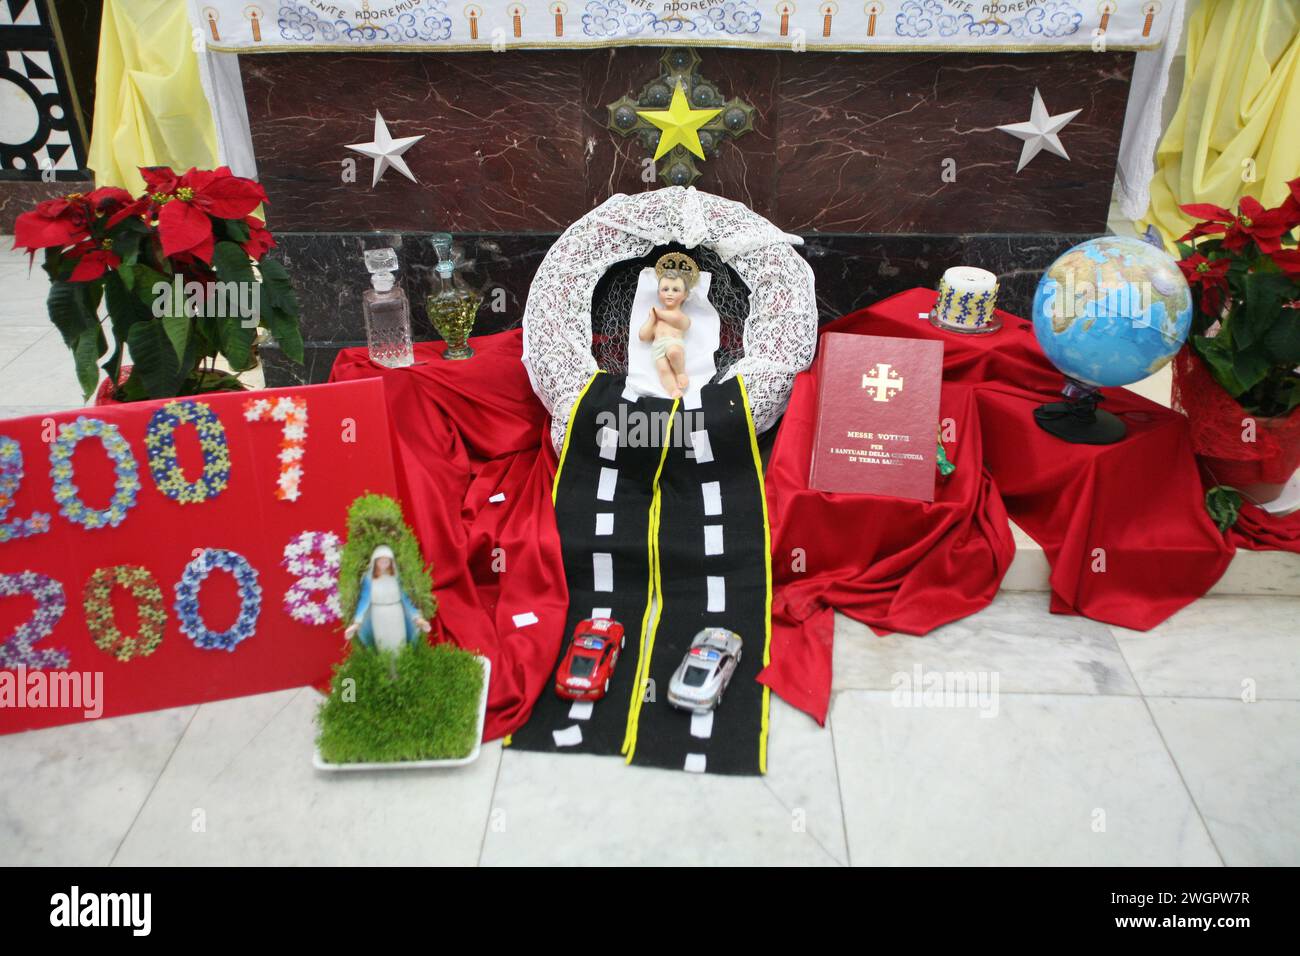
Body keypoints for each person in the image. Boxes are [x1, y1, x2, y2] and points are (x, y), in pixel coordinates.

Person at [344, 545, 431, 652]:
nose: (384, 564)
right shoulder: (369, 579)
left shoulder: (397, 577)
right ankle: (384, 664)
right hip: (378, 614)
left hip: (395, 612)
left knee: (398, 640)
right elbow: (364, 600)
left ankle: (401, 662)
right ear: (375, 562)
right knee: (383, 642)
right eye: (381, 561)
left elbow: (406, 598)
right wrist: (357, 622)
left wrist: (417, 618)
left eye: (387, 561)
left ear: (391, 562)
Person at [638, 253, 699, 398]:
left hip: (673, 343)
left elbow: (683, 323)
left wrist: (658, 313)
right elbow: (643, 336)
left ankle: (680, 372)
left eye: (675, 290)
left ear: (684, 295)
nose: (669, 294)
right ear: (659, 294)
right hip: (657, 346)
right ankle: (673, 390)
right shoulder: (656, 317)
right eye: (665, 289)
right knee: (663, 370)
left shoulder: (678, 316)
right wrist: (651, 319)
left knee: (674, 352)